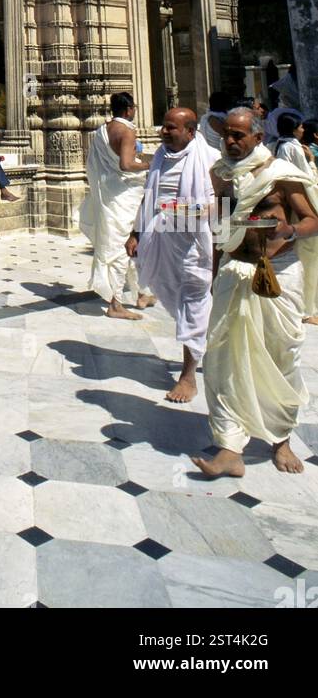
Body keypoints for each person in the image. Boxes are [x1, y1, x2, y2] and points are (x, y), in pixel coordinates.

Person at [192, 108, 318, 479]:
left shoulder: (280, 176)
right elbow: (222, 226)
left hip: (277, 273)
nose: (230, 141)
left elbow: (311, 219)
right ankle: (230, 448)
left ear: (258, 138)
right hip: (236, 270)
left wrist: (287, 233)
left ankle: (280, 439)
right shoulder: (222, 175)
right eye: (227, 135)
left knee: (281, 357)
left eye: (239, 136)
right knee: (224, 360)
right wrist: (215, 274)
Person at [126, 110, 215, 402]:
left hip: (194, 244)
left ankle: (188, 376)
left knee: (193, 303)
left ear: (190, 131)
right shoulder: (161, 157)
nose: (163, 131)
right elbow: (149, 197)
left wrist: (192, 215)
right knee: (179, 302)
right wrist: (137, 233)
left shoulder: (210, 159)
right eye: (164, 126)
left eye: (170, 127)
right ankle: (207, 344)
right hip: (162, 239)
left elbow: (222, 204)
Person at [79, 92, 153, 320]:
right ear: (129, 109)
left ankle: (142, 293)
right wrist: (148, 164)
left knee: (130, 243)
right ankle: (116, 303)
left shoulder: (104, 129)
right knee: (123, 247)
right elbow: (126, 164)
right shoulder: (127, 131)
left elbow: (96, 163)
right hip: (124, 194)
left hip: (110, 193)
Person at [270, 114, 315, 179]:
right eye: (301, 127)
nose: (303, 130)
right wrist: (311, 158)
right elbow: (309, 176)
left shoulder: (279, 144)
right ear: (294, 130)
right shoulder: (292, 148)